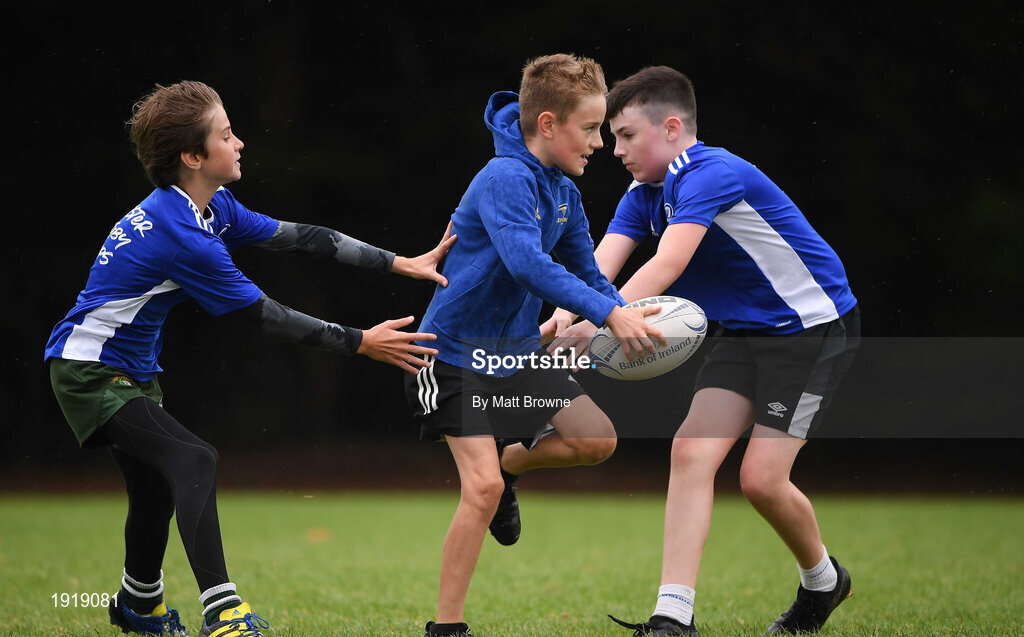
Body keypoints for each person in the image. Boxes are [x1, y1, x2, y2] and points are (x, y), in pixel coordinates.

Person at [44, 80, 454, 637]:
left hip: (129, 369)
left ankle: (137, 606)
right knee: (195, 461)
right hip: (89, 371)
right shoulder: (183, 234)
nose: (239, 143)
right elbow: (269, 318)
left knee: (154, 489)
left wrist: (398, 263)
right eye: (226, 134)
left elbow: (303, 238)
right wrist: (362, 341)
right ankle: (225, 612)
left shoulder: (209, 207)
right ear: (192, 157)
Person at [545, 66, 860, 635]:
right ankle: (673, 616)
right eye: (611, 137)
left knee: (761, 481)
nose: (614, 149)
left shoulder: (710, 172)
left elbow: (667, 264)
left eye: (626, 135)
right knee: (690, 453)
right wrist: (563, 316)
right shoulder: (645, 191)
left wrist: (599, 321)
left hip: (811, 330)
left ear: (671, 127)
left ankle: (823, 580)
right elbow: (600, 266)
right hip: (743, 332)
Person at [402, 54, 665, 637]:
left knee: (596, 440)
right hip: (449, 357)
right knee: (481, 488)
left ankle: (511, 463)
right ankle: (447, 628)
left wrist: (615, 309)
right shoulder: (504, 179)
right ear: (548, 124)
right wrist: (609, 313)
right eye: (591, 128)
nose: (600, 142)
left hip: (514, 355)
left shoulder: (563, 191)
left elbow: (589, 273)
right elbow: (526, 264)